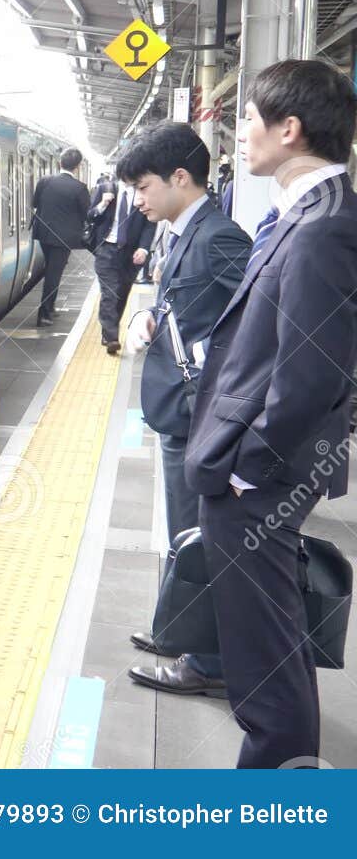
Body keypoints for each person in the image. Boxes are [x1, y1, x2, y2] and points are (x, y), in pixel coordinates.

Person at [183, 59, 357, 768]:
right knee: (262, 634)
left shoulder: (322, 230)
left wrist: (250, 471)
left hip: (259, 476)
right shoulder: (311, 214)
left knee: (266, 644)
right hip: (257, 468)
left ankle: (278, 788)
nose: (240, 134)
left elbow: (312, 374)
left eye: (249, 119)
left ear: (290, 129)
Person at [114, 124, 249, 700]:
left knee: (200, 536)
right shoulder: (183, 231)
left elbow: (255, 322)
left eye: (143, 186)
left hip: (201, 414)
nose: (138, 200)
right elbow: (190, 307)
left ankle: (208, 659)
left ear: (178, 178)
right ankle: (181, 631)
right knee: (183, 533)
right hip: (180, 411)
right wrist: (154, 319)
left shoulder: (219, 237)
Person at [87, 171, 155, 354]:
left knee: (122, 293)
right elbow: (90, 216)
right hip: (106, 249)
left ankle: (108, 329)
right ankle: (111, 337)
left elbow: (150, 223)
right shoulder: (105, 189)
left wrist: (144, 248)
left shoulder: (143, 193)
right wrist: (103, 203)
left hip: (131, 253)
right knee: (110, 292)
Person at [29, 148, 92, 326]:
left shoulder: (44, 181)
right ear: (78, 167)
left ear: (59, 163)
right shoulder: (79, 188)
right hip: (64, 238)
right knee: (53, 273)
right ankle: (44, 313)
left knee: (51, 269)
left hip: (43, 234)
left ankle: (50, 307)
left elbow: (35, 204)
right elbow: (87, 213)